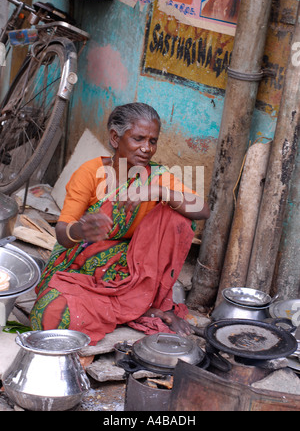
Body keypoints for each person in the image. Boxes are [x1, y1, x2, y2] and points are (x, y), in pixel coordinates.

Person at [30, 103, 210, 345]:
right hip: (82, 266)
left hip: (132, 270)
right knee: (50, 314)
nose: (147, 148)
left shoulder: (156, 177)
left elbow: (202, 209)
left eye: (153, 141)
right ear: (116, 138)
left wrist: (155, 190)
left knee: (177, 214)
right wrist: (81, 230)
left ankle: (138, 306)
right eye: (138, 139)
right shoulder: (91, 173)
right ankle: (136, 310)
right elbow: (63, 234)